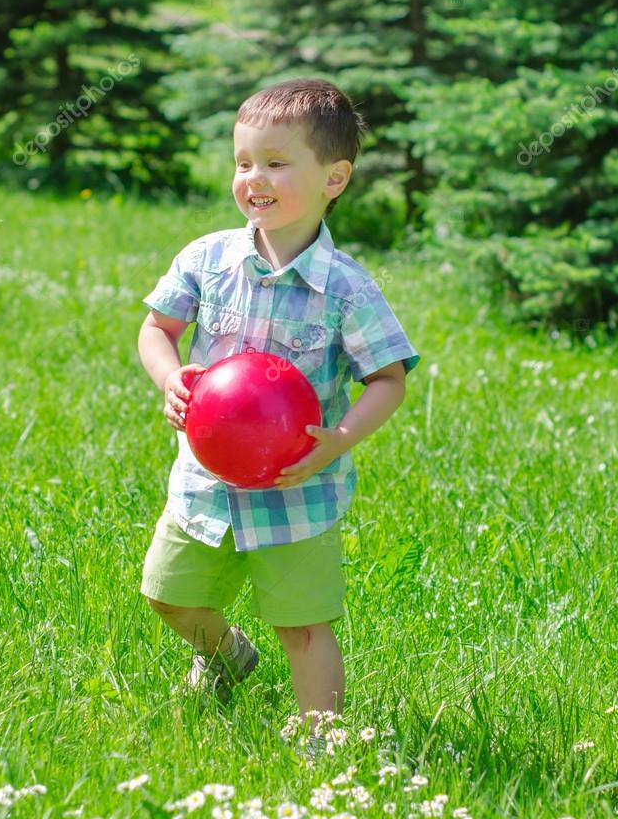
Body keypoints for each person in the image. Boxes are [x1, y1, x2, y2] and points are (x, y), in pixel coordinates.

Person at [137, 78, 420, 759]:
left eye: (275, 162)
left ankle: (321, 742)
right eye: (243, 162)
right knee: (167, 595)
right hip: (205, 482)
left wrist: (341, 439)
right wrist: (171, 375)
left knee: (303, 626)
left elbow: (388, 377)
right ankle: (227, 654)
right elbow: (156, 328)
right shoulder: (207, 259)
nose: (253, 178)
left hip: (298, 489)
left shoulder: (347, 287)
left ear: (335, 178)